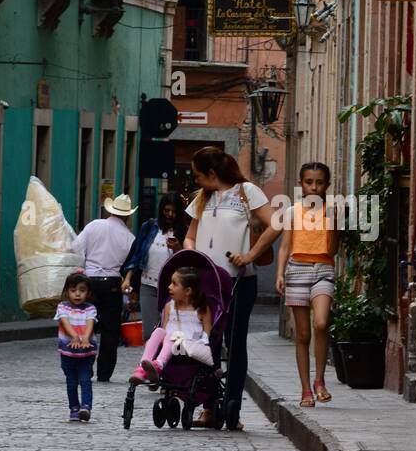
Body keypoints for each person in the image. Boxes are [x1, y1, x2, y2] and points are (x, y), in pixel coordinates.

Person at [184, 147, 277, 428]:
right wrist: (191, 256)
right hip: (206, 282)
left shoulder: (247, 191)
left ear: (212, 173)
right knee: (205, 344)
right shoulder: (203, 197)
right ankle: (209, 406)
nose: (196, 180)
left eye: (198, 174)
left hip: (238, 281)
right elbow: (190, 235)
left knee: (234, 345)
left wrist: (249, 255)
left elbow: (275, 225)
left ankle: (232, 410)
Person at [277, 162, 339, 408]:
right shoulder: (292, 211)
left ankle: (320, 380)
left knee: (322, 323)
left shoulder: (331, 211)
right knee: (303, 334)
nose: (314, 187)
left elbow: (333, 250)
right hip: (297, 269)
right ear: (301, 184)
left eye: (320, 182)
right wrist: (280, 273)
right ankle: (306, 389)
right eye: (309, 182)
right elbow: (284, 246)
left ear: (327, 185)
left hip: (324, 268)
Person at [72, 193, 137, 382]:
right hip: (112, 283)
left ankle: (84, 366)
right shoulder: (129, 237)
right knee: (110, 330)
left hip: (89, 281)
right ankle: (104, 372)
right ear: (128, 216)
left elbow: (76, 247)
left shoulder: (94, 225)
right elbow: (128, 265)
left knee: (86, 325)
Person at [122, 193, 189, 338]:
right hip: (148, 285)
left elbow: (187, 261)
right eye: (166, 210)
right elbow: (137, 254)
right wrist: (127, 279)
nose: (170, 214)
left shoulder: (185, 231)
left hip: (173, 288)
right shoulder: (149, 227)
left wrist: (178, 248)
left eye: (173, 211)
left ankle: (164, 360)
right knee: (149, 332)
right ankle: (151, 360)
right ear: (161, 210)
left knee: (171, 332)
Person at [129, 267, 213, 384]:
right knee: (159, 331)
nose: (169, 287)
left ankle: (158, 365)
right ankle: (144, 367)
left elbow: (207, 333)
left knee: (171, 335)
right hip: (170, 344)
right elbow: (164, 328)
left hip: (189, 346)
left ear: (187, 291)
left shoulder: (202, 310)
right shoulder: (169, 306)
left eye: (174, 284)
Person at [55, 272, 98, 422]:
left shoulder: (90, 308)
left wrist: (85, 337)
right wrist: (73, 336)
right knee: (71, 382)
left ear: (88, 292)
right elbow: (65, 322)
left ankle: (86, 406)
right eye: (73, 290)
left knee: (85, 379)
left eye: (82, 290)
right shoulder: (62, 307)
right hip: (67, 353)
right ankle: (74, 407)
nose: (77, 294)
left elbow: (90, 323)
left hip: (87, 353)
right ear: (66, 292)